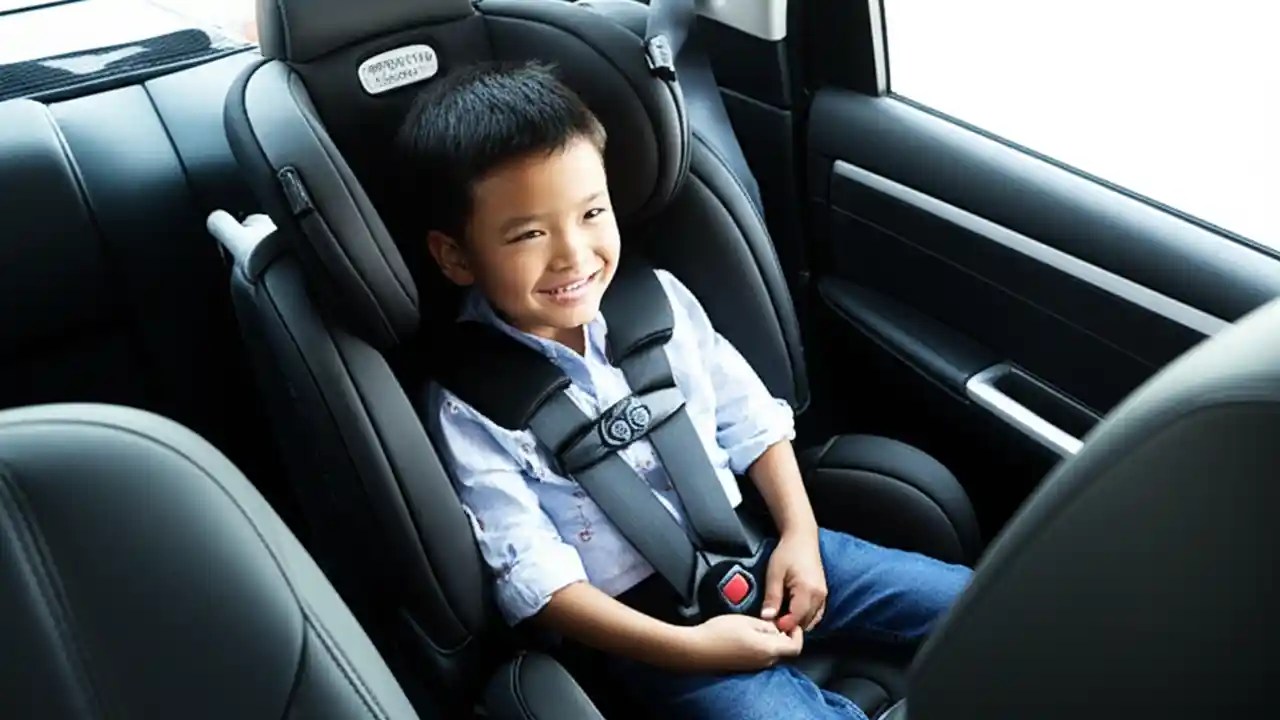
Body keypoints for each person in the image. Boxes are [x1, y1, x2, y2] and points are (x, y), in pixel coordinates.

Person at [401, 61, 972, 719]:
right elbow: (538, 578)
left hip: (768, 549)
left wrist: (799, 534)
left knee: (988, 605)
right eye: (529, 233)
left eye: (592, 213)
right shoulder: (471, 404)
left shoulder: (656, 303)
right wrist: (687, 649)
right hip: (660, 640)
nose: (572, 254)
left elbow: (749, 417)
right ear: (456, 256)